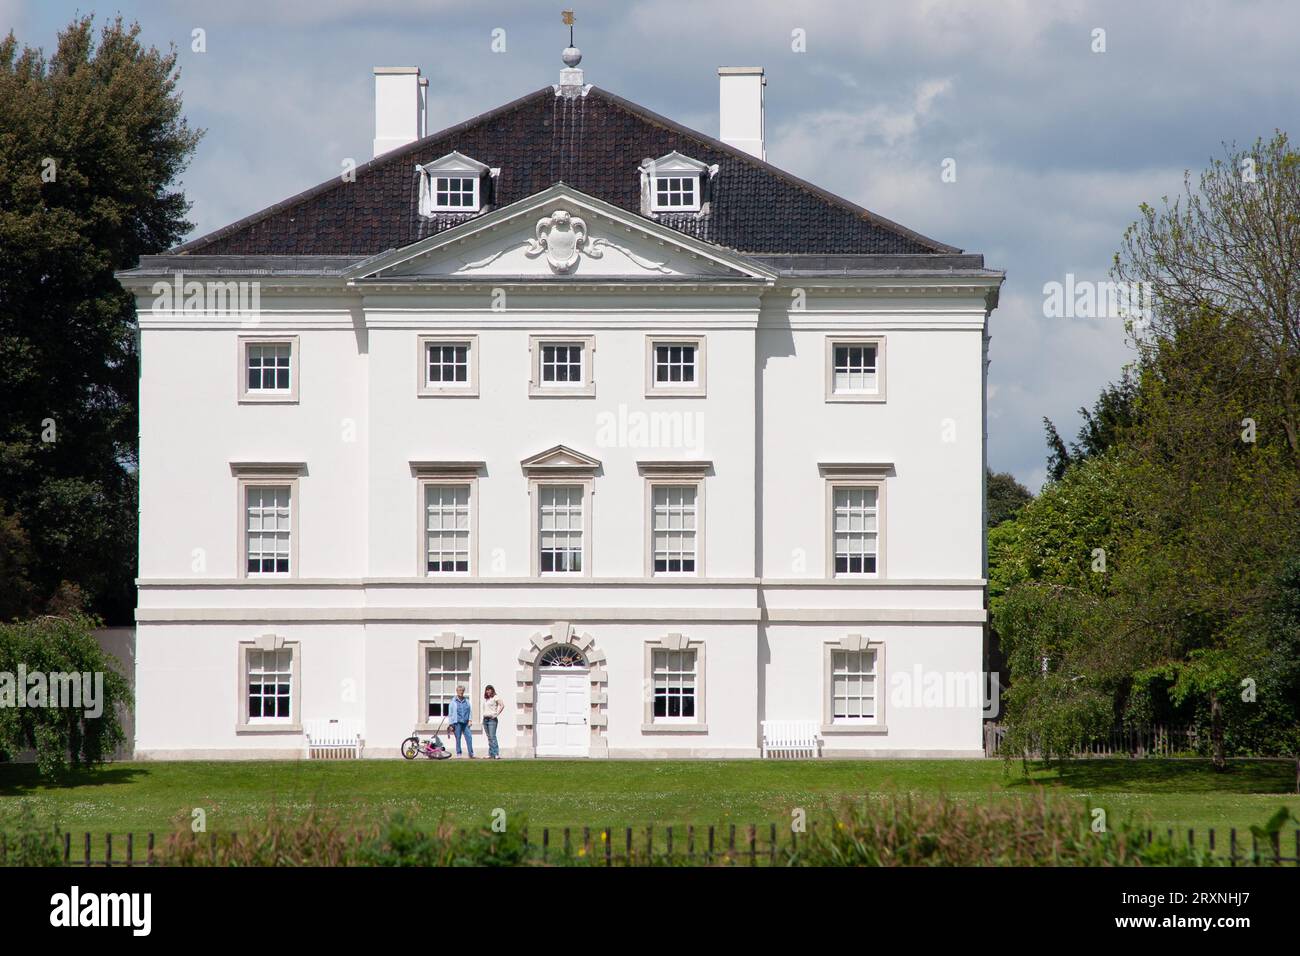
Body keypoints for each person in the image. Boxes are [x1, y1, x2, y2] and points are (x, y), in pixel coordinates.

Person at [449, 685, 474, 758]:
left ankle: (471, 753)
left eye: (462, 691)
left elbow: (470, 711)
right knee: (458, 738)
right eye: (459, 690)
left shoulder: (467, 701)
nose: (461, 692)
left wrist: (470, 720)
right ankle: (459, 753)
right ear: (457, 691)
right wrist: (451, 724)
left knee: (469, 737)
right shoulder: (453, 702)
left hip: (466, 722)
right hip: (457, 722)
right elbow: (450, 714)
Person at [482, 685, 504, 759]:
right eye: (487, 690)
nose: (488, 691)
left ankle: (496, 753)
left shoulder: (496, 697)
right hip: (485, 719)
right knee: (489, 737)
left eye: (489, 690)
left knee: (492, 736)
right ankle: (491, 753)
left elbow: (502, 705)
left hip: (492, 720)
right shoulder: (487, 699)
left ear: (492, 690)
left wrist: (496, 714)